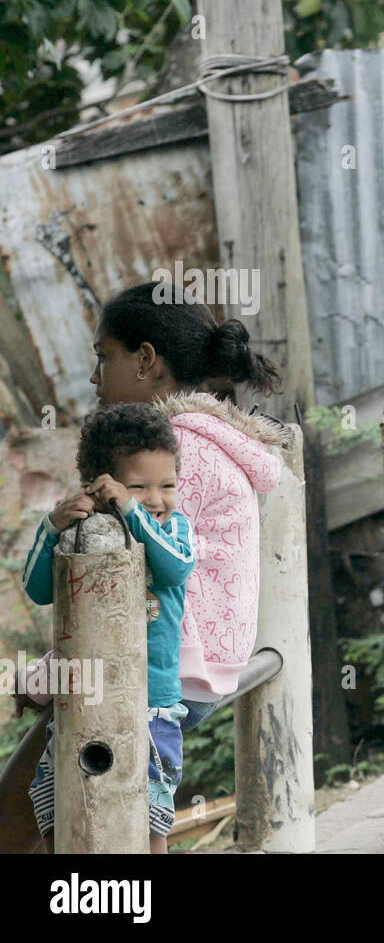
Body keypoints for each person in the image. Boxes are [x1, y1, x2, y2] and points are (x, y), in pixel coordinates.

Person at [89, 281, 287, 729]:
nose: (94, 377)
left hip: (173, 672)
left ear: (144, 360)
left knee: (44, 781)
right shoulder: (204, 437)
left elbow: (116, 575)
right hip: (203, 668)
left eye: (104, 356)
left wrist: (50, 672)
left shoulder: (174, 448)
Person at [21, 403, 196, 853]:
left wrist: (133, 511)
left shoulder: (174, 528)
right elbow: (38, 589)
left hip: (152, 709)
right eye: (139, 486)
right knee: (57, 804)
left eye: (167, 485)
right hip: (81, 703)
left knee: (150, 818)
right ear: (98, 486)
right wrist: (53, 525)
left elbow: (175, 570)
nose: (157, 498)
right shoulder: (81, 533)